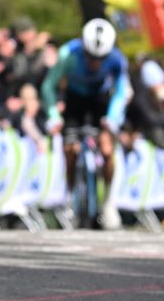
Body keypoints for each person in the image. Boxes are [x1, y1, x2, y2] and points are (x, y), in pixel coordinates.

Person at [41, 18, 131, 228]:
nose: (95, 62)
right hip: (75, 100)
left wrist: (113, 118)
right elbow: (48, 86)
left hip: (100, 101)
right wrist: (54, 116)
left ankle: (108, 201)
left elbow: (121, 92)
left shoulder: (117, 60)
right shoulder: (68, 54)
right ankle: (70, 196)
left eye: (101, 58)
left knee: (107, 149)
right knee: (70, 149)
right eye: (90, 57)